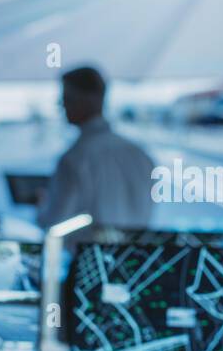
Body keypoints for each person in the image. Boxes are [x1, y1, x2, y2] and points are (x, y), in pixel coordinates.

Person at [35, 66, 155, 231]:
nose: (62, 106)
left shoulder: (75, 159)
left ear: (88, 100)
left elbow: (53, 222)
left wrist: (43, 204)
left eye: (66, 99)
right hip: (135, 254)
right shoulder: (141, 155)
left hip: (87, 255)